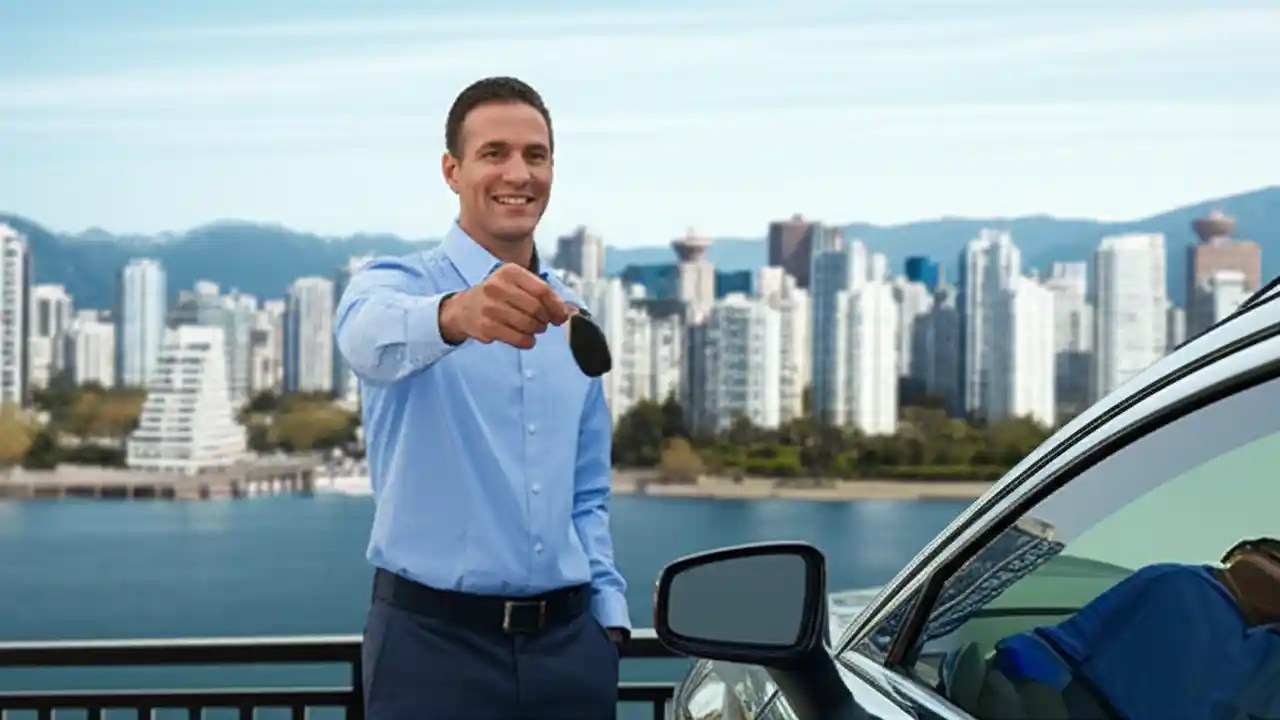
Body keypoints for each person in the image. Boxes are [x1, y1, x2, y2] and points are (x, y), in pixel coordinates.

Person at [334, 76, 629, 719]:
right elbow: (361, 339)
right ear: (452, 170)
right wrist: (457, 314)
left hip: (572, 651)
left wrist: (608, 621)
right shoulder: (394, 284)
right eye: (493, 153)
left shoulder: (573, 316)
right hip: (430, 651)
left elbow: (587, 493)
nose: (517, 173)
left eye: (536, 155)